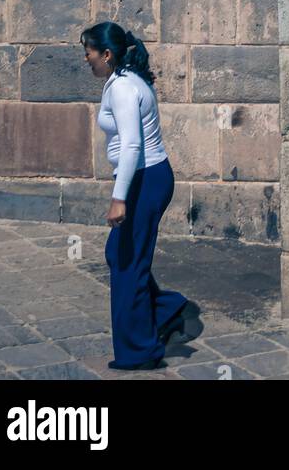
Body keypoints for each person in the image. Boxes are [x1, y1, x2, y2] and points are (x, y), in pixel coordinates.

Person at [82, 22, 189, 371]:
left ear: (107, 54)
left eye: (90, 53)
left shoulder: (124, 89)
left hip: (145, 179)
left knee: (128, 262)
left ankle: (140, 351)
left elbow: (131, 144)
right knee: (121, 254)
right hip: (146, 177)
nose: (87, 59)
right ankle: (167, 311)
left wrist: (119, 198)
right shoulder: (123, 79)